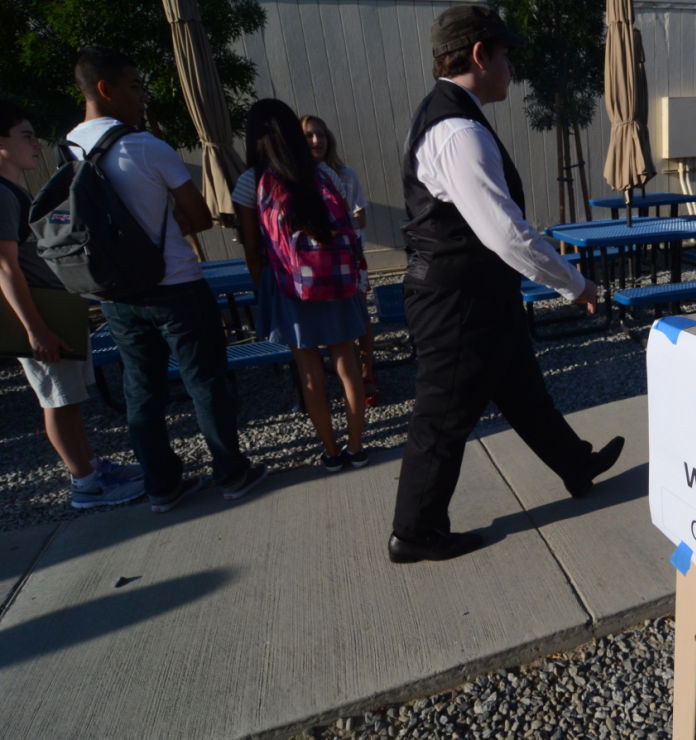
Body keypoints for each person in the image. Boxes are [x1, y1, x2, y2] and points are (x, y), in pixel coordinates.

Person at [388, 5, 625, 564]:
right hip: (456, 301)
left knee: (523, 389)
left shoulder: (450, 118)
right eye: (505, 55)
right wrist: (576, 285)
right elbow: (507, 235)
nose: (511, 68)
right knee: (443, 416)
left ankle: (575, 465)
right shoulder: (457, 131)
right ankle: (415, 532)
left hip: (478, 296)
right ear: (479, 55)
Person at [66, 47, 266, 513]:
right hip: (175, 285)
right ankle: (231, 473)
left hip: (115, 292)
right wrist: (163, 222)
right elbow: (200, 216)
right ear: (105, 89)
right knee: (205, 381)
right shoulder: (145, 146)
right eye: (135, 86)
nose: (143, 97)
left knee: (141, 389)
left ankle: (162, 485)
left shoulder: (67, 148)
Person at [0, 99, 144, 509]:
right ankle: (85, 484)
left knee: (71, 399)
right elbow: (5, 268)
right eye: (26, 136)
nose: (37, 145)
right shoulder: (2, 195)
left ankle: (91, 468)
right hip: (39, 309)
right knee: (58, 400)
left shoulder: (13, 191)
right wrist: (35, 329)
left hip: (54, 305)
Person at [232, 99, 368, 472]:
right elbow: (346, 227)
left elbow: (252, 251)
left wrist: (268, 288)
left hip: (290, 286)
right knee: (347, 364)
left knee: (309, 372)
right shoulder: (321, 171)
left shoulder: (250, 181)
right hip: (336, 279)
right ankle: (357, 448)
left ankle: (332, 453)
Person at [300, 114, 379, 407]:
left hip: (349, 256)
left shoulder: (344, 175)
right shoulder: (295, 178)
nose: (316, 140)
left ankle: (367, 370)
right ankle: (347, 375)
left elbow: (360, 217)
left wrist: (337, 223)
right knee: (334, 321)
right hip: (315, 264)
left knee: (360, 313)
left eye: (320, 134)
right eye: (309, 135)